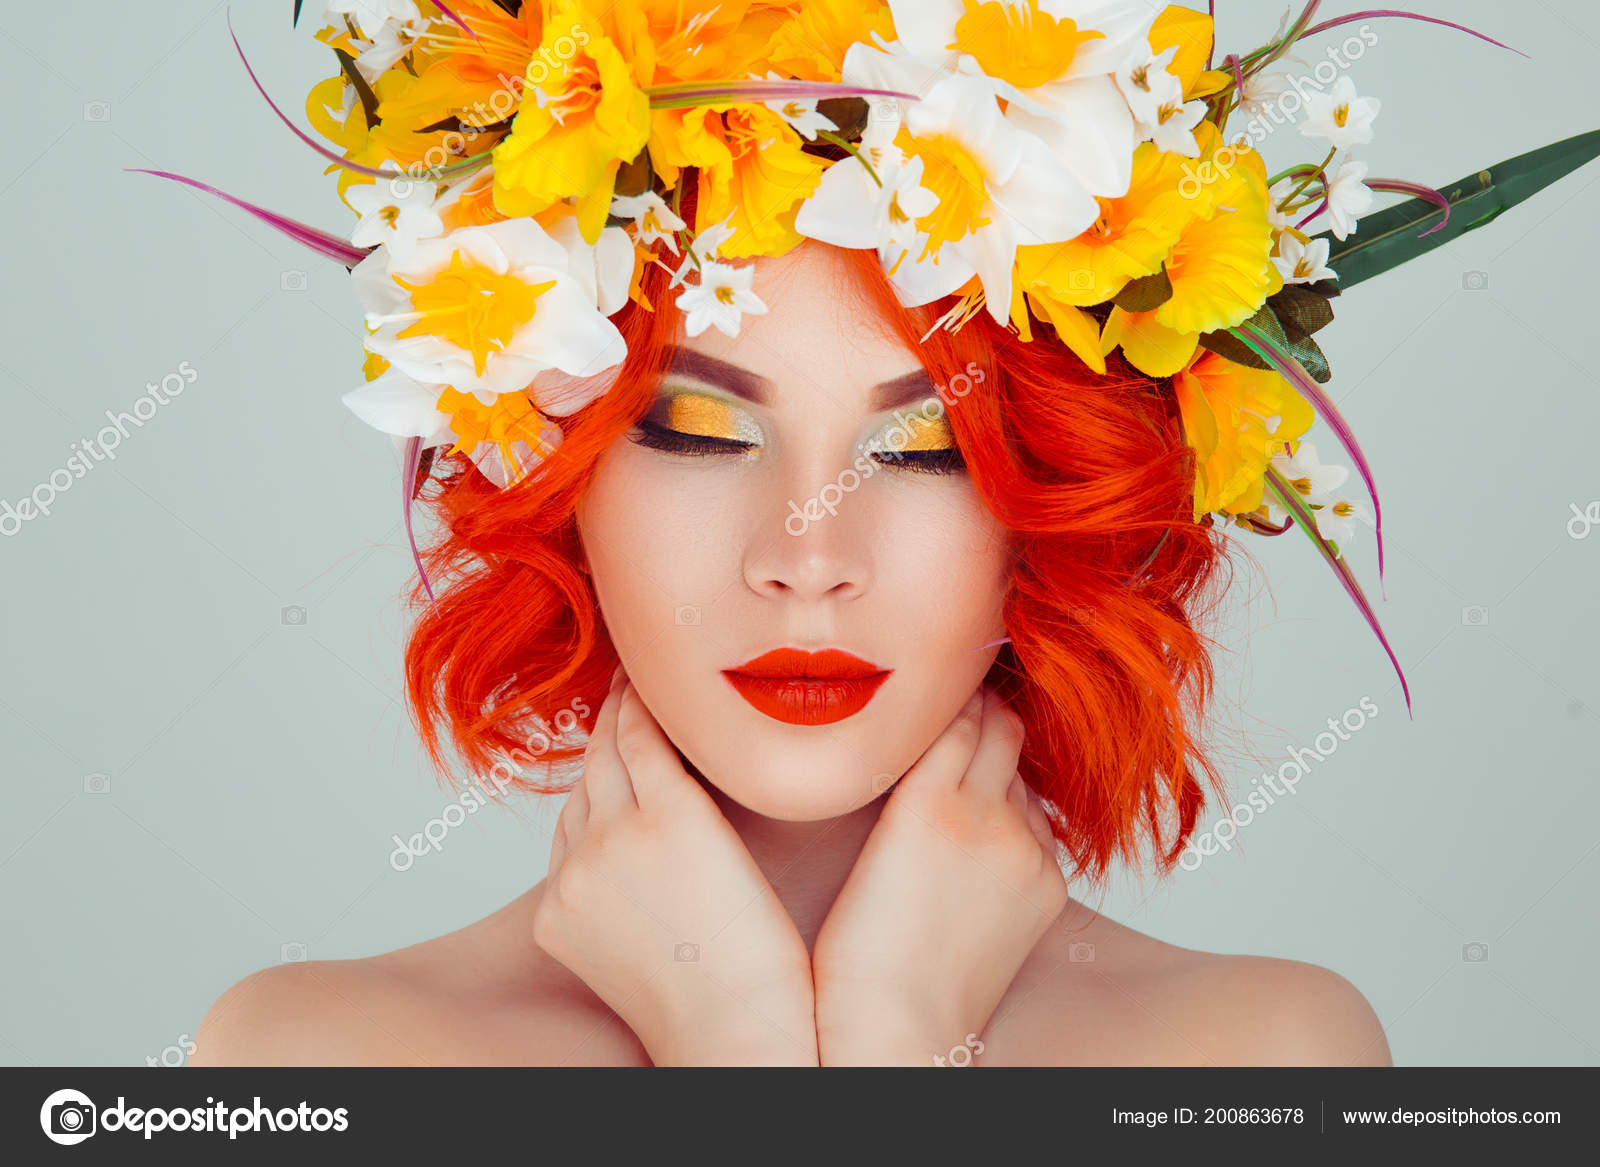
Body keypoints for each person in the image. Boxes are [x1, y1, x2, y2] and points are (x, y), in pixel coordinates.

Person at [189, 232, 1390, 1066]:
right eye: (703, 428)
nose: (807, 555)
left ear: (1057, 497)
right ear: (551, 472)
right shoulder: (315, 1060)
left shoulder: (1260, 1057)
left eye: (927, 446)